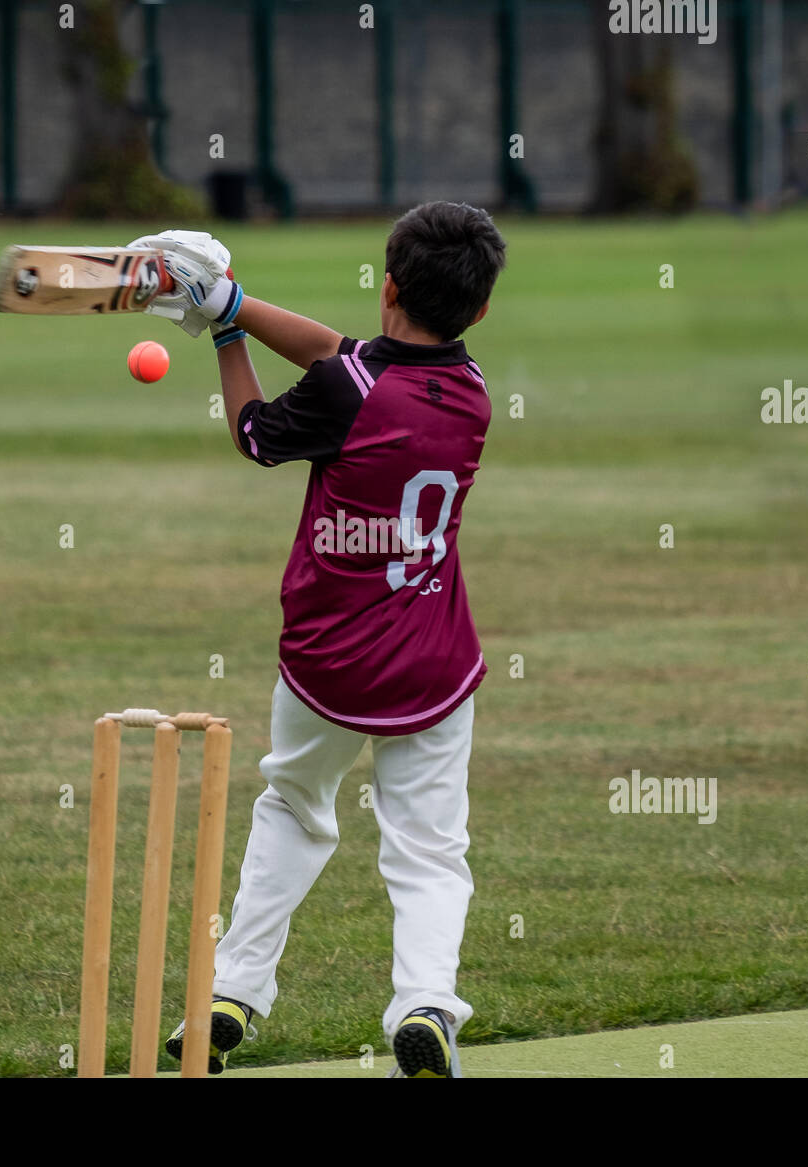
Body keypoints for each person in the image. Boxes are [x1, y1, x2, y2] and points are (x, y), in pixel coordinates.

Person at [133, 202, 506, 1078]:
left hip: (328, 666)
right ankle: (424, 1005)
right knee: (429, 847)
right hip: (435, 664)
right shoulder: (474, 391)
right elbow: (344, 358)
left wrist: (224, 331)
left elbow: (254, 433)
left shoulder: (353, 390)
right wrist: (236, 300)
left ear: (388, 286)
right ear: (478, 312)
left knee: (294, 810)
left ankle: (232, 990)